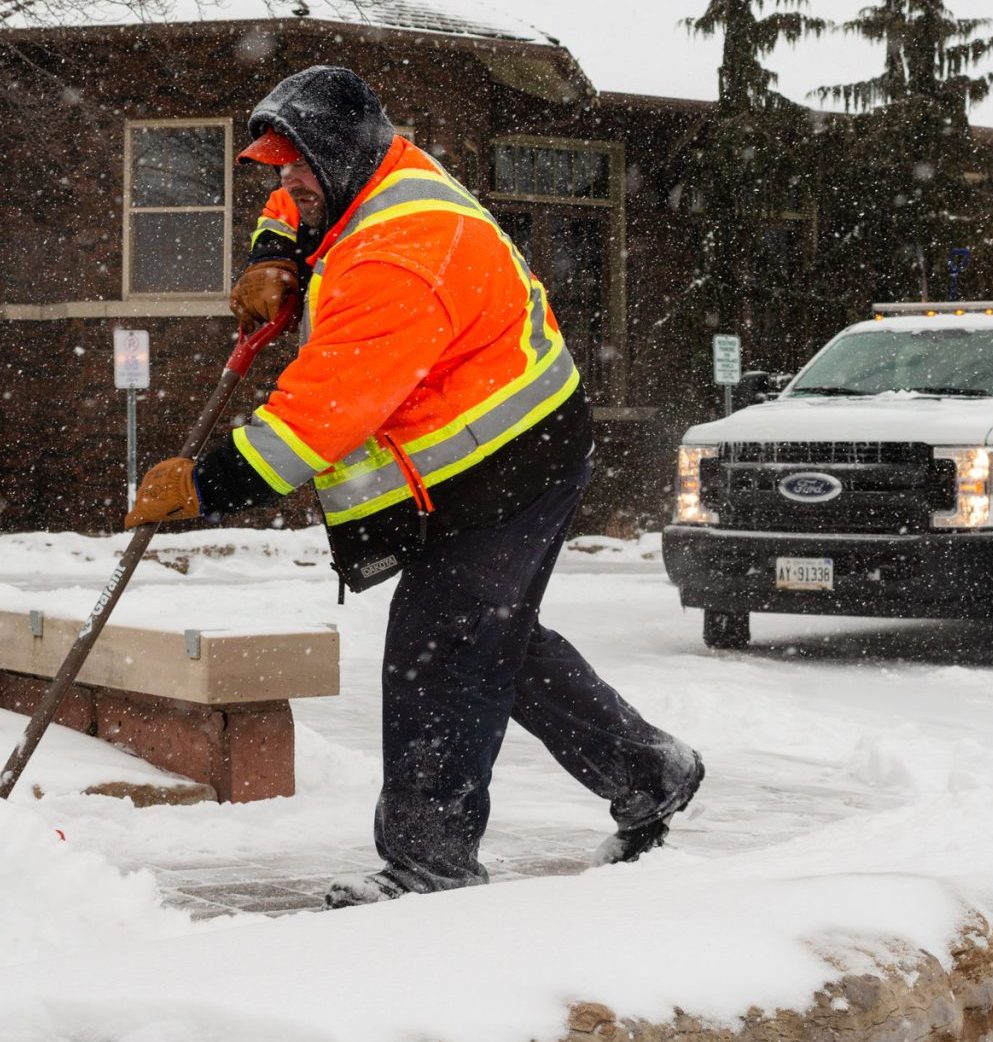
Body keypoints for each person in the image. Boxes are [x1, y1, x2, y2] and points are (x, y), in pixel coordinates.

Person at [125, 65, 702, 906]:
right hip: (468, 454)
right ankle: (650, 768)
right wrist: (277, 254)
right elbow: (295, 200)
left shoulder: (397, 257)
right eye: (278, 171)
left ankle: (430, 864)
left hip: (512, 459)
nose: (284, 185)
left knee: (443, 647)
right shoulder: (362, 172)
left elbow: (305, 433)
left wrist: (202, 485)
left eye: (296, 171)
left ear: (340, 158)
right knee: (489, 640)